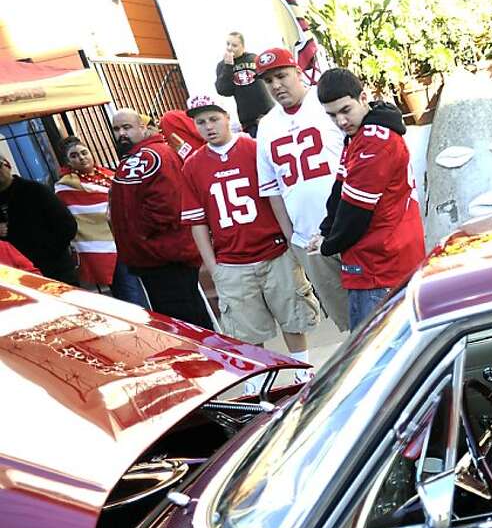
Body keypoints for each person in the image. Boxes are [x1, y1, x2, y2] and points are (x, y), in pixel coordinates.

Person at [180, 95, 319, 372]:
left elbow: (278, 197)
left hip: (274, 250)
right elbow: (198, 222)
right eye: (201, 122)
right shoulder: (193, 166)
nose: (208, 126)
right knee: (246, 331)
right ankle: (259, 382)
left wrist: (291, 243)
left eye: (213, 119)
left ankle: (301, 373)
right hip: (232, 261)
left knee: (292, 316)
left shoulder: (255, 148)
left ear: (227, 118)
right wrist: (213, 267)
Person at [316, 68, 425, 329]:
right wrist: (325, 230)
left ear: (363, 98)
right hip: (378, 259)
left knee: (376, 355)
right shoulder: (358, 136)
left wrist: (328, 245)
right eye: (332, 115)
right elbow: (339, 189)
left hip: (380, 264)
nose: (341, 121)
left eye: (345, 110)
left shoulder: (375, 142)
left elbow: (356, 212)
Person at [254, 47, 351, 332]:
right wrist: (291, 237)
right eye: (269, 81)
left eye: (281, 76)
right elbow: (271, 187)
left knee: (382, 310)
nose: (276, 85)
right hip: (308, 236)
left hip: (351, 225)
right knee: (348, 323)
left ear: (298, 72)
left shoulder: (325, 104)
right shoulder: (268, 125)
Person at [108, 107, 213, 329]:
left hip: (166, 256)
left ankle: (209, 361)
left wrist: (140, 236)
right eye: (117, 129)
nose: (121, 134)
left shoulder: (158, 155)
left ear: (143, 128)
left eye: (127, 127)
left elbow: (167, 206)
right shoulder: (134, 158)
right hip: (151, 257)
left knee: (187, 322)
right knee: (176, 321)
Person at [54, 137, 149, 307]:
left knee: (146, 287)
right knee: (129, 293)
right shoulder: (65, 187)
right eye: (74, 156)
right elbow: (76, 218)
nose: (82, 158)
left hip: (130, 239)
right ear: (68, 162)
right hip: (105, 246)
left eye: (84, 153)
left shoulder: (110, 175)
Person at [0, 156, 78, 285]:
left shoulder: (35, 190)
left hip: (56, 268)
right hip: (18, 274)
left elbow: (67, 225)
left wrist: (49, 252)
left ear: (8, 165)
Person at [215, 31, 274, 137]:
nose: (229, 48)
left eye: (234, 45)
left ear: (242, 46)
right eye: (228, 44)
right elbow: (223, 90)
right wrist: (228, 66)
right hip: (249, 120)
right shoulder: (222, 66)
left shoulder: (253, 58)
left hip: (268, 112)